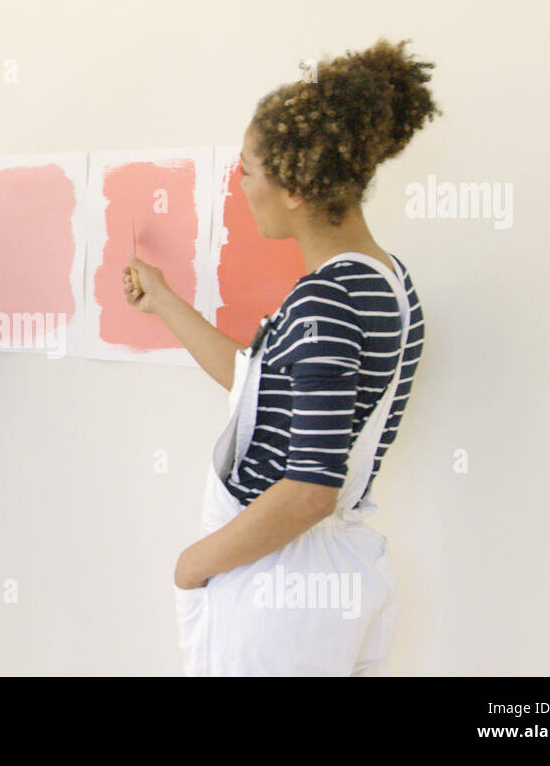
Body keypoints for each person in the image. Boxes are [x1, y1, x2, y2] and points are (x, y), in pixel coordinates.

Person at [124, 38, 439, 675]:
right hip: (325, 581)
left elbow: (309, 490)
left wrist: (196, 564)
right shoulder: (384, 281)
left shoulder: (325, 299)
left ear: (294, 188)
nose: (239, 185)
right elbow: (260, 384)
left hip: (279, 585)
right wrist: (162, 299)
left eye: (247, 170)